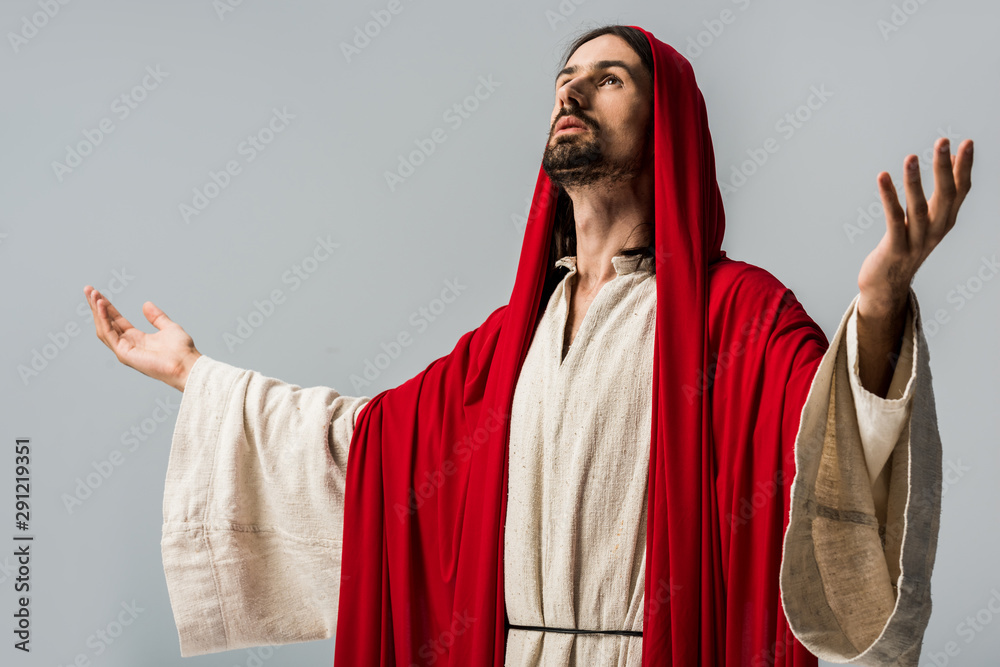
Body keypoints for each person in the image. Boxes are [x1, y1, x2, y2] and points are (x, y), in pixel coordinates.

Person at [85, 24, 973, 667]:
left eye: (610, 78)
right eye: (565, 77)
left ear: (667, 127)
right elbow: (370, 450)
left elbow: (830, 449)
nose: (571, 91)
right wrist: (196, 376)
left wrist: (881, 305)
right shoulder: (507, 347)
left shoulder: (735, 316)